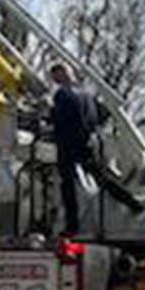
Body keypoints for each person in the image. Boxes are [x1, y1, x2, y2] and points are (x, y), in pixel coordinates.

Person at [48, 62, 105, 236]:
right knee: (99, 179)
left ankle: (72, 226)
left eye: (56, 76)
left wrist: (49, 113)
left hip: (68, 145)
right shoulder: (87, 95)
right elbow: (97, 117)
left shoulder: (62, 95)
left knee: (68, 185)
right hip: (87, 144)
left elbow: (58, 118)